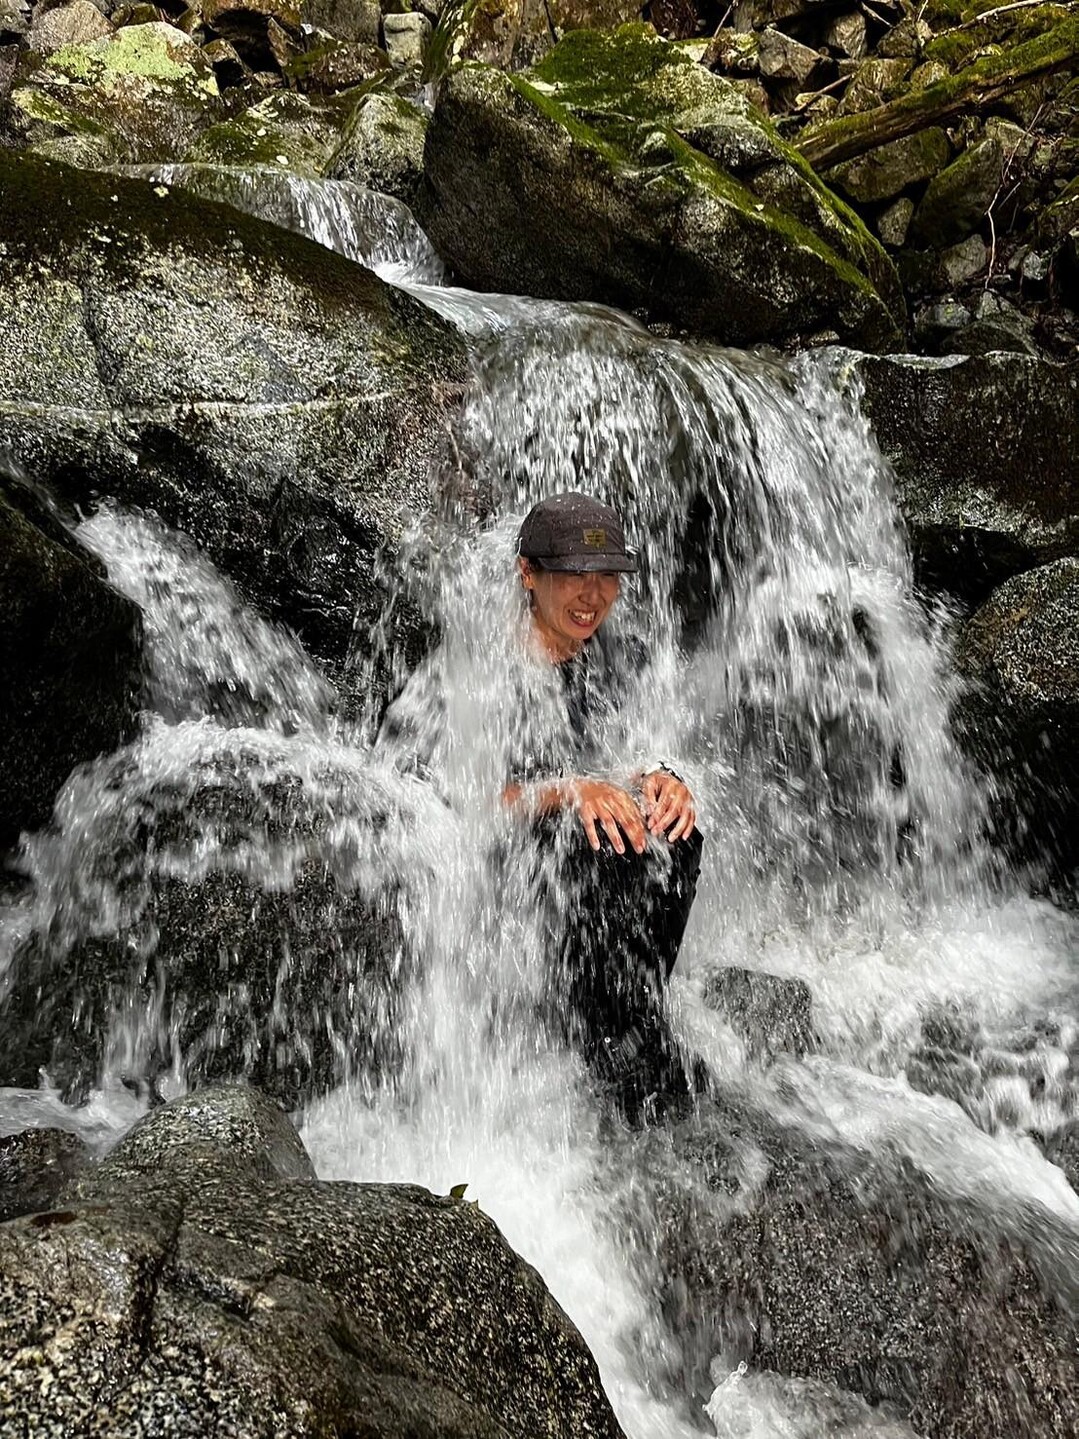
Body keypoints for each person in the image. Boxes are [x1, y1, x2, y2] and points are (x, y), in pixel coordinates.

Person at [503, 492, 704, 1124]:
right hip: (492, 870)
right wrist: (568, 790)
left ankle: (640, 1015)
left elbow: (629, 751)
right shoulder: (483, 668)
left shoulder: (611, 657)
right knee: (594, 839)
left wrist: (661, 777)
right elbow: (454, 801)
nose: (593, 596)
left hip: (570, 857)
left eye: (607, 578)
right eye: (573, 576)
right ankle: (601, 1045)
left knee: (677, 834)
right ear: (528, 574)